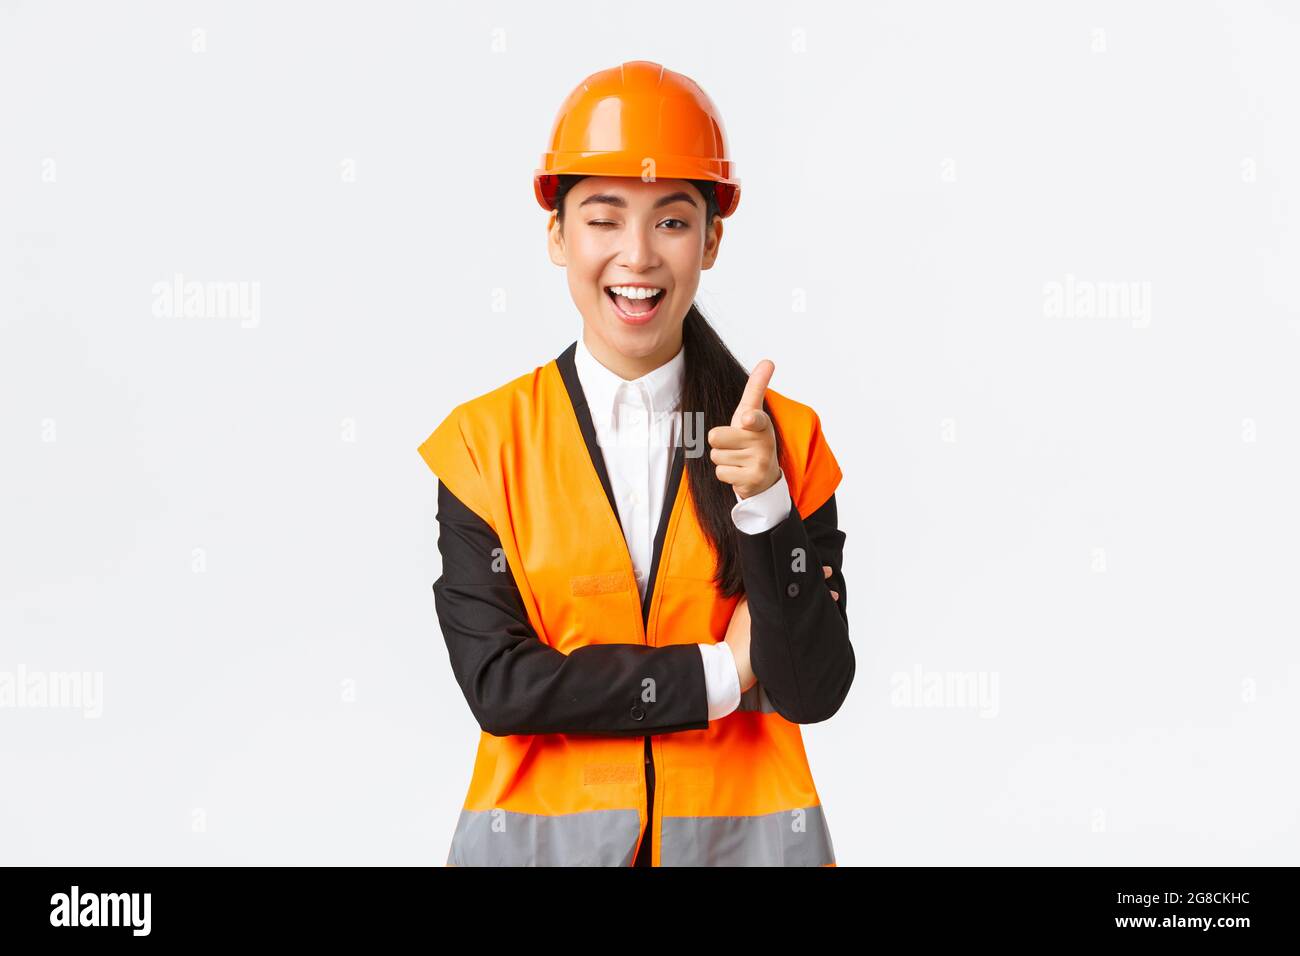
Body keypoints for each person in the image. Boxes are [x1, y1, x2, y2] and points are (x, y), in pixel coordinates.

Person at [418, 60, 853, 866]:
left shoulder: (785, 443)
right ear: (557, 234)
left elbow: (809, 688)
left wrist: (765, 503)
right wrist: (723, 673)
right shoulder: (484, 446)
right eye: (604, 218)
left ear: (712, 240)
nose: (638, 255)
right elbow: (502, 687)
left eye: (673, 222)